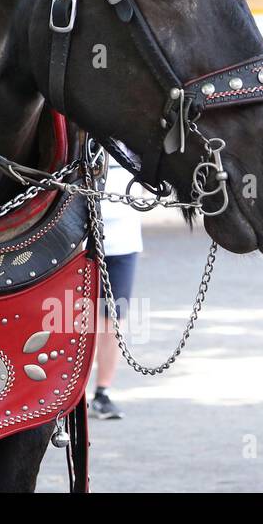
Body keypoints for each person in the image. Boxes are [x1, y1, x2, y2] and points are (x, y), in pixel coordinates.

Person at [91, 156, 143, 420]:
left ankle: (102, 392)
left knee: (112, 321)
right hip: (80, 243)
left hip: (123, 243)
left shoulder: (135, 141)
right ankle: (66, 393)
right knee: (68, 318)